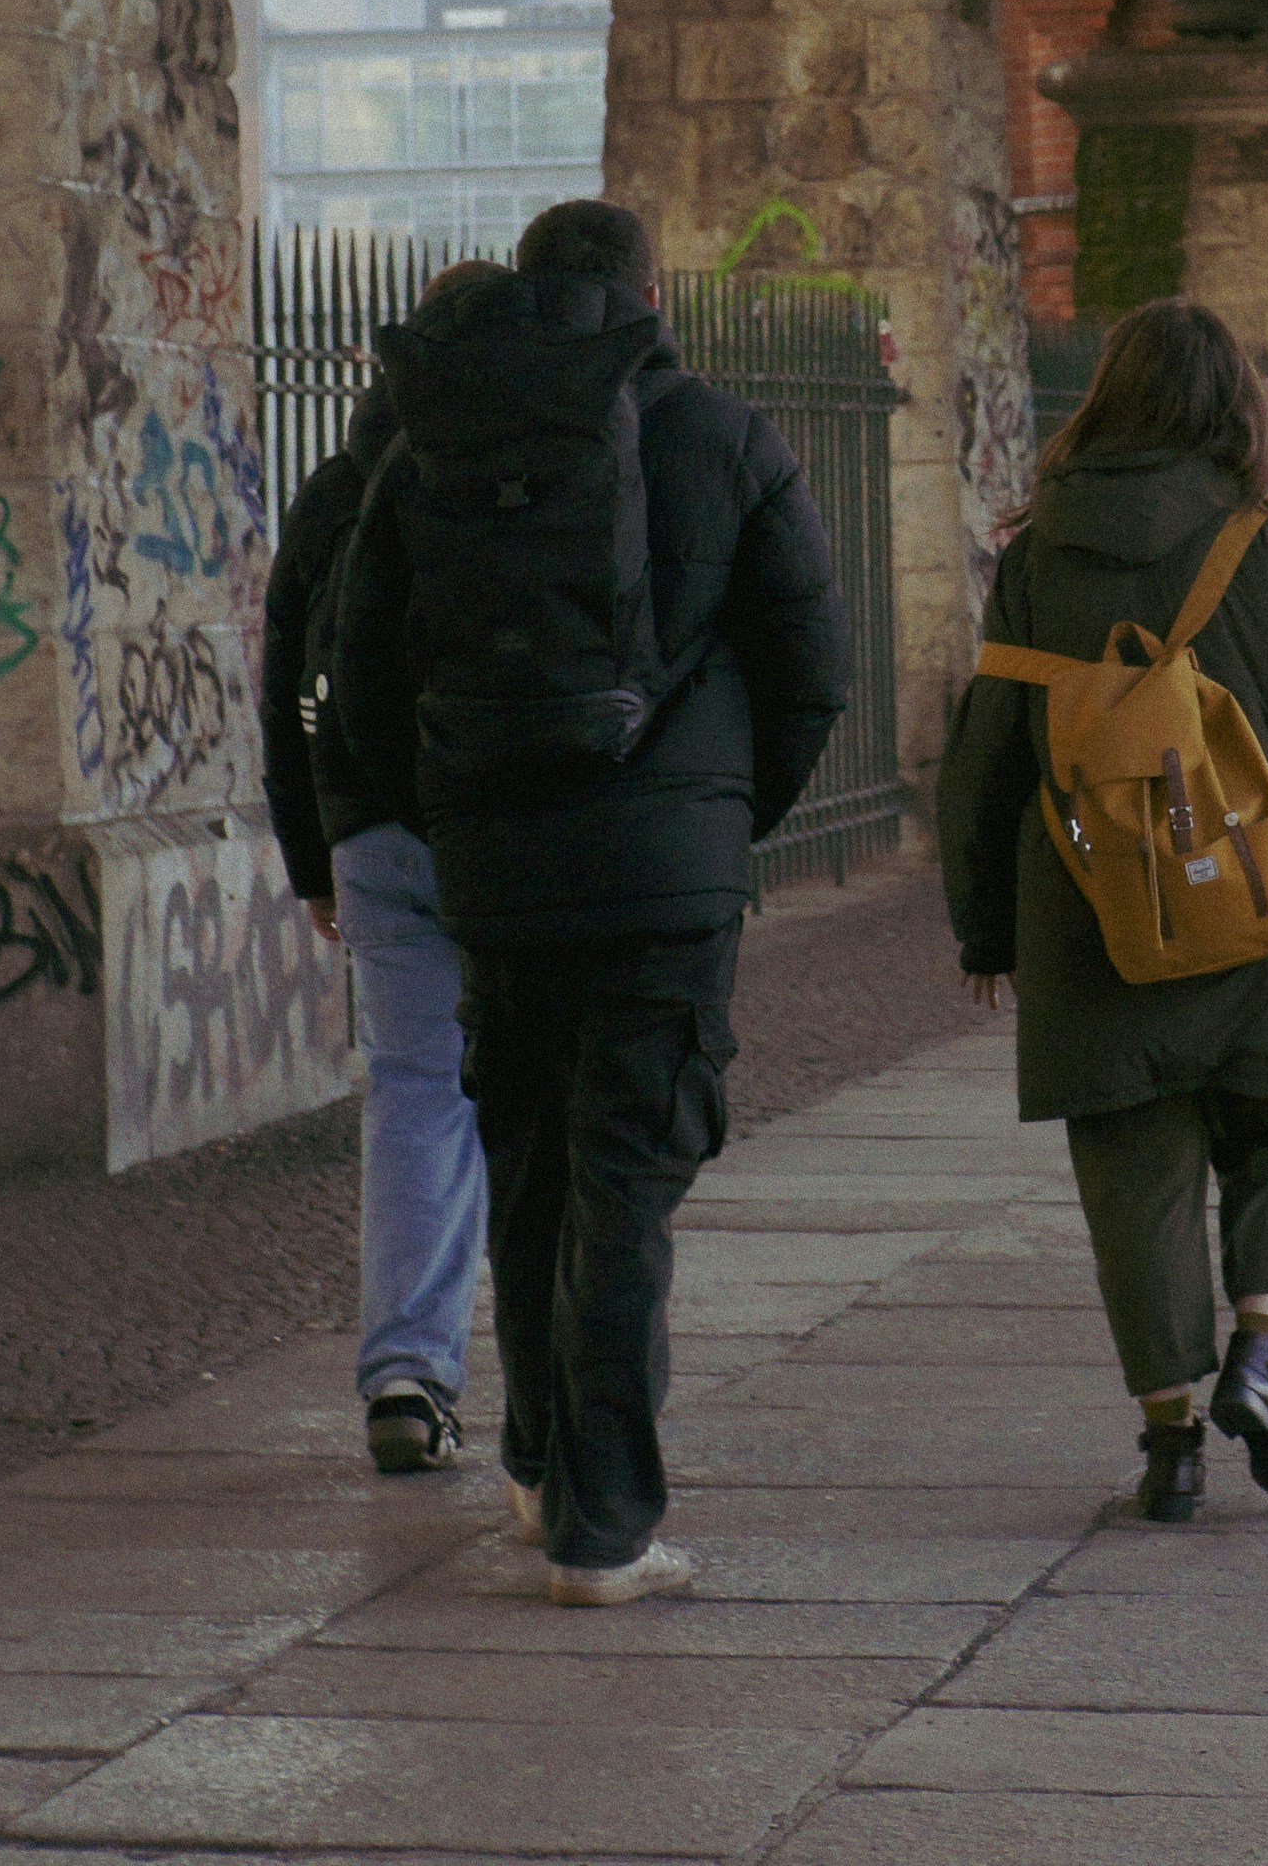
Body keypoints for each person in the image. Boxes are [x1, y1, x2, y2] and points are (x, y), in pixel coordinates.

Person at [326, 200, 849, 1606]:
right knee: (625, 1182)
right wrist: (724, 819)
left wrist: (453, 816)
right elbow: (815, 666)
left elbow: (356, 669)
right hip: (664, 893)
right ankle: (604, 1528)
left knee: (533, 1167)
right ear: (648, 295)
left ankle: (539, 1466)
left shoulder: (440, 440)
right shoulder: (728, 438)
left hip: (495, 879)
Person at [941, 298, 1268, 1524]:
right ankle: (1261, 1350)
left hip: (1092, 918)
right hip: (1263, 902)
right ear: (1236, 405)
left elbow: (984, 758)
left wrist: (985, 928)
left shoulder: (1035, 558)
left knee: (1131, 1174)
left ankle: (1169, 1439)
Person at [266, 257, 510, 1478]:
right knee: (528, 1089)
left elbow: (284, 690)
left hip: (371, 831)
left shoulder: (335, 487)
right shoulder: (515, 472)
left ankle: (407, 1369)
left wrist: (314, 849)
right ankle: (558, 1367)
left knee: (415, 1091)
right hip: (502, 826)